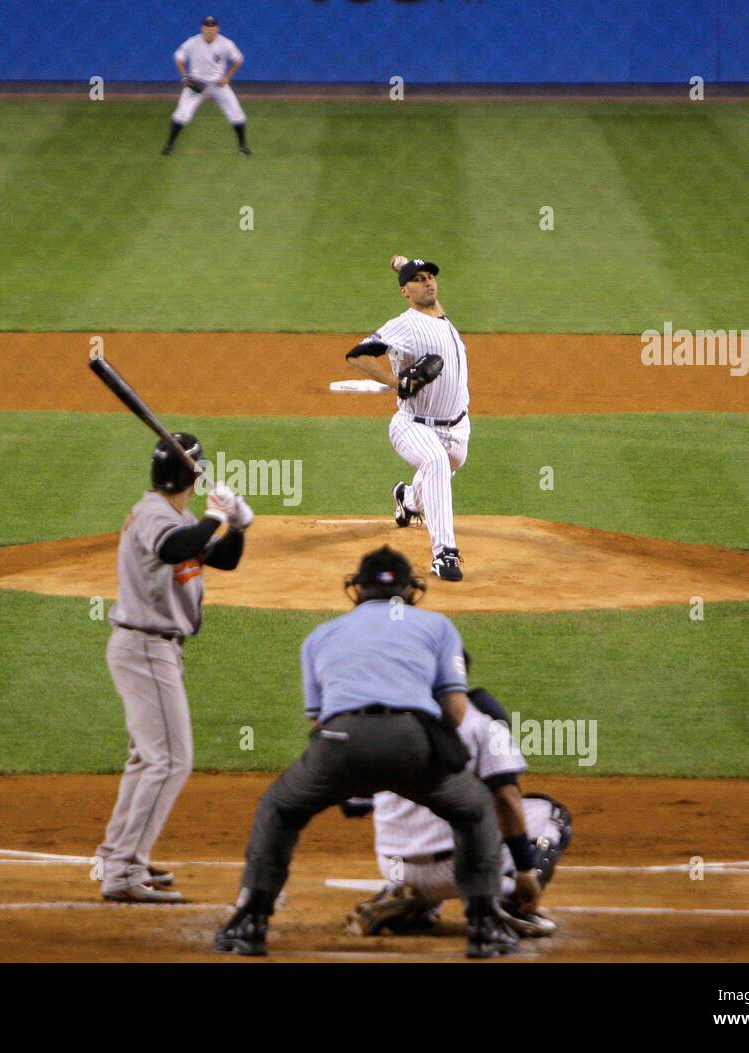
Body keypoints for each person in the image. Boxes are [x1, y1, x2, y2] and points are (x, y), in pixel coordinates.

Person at [213, 546, 537, 957]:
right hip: (411, 740)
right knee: (474, 810)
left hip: (339, 743)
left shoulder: (321, 635)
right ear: (409, 589)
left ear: (358, 589)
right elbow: (456, 711)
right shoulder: (437, 627)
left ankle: (250, 921)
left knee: (279, 810)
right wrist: (422, 750)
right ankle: (485, 926)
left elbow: (320, 721)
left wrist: (355, 778)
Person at [94, 433, 252, 903]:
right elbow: (172, 549)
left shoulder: (176, 516)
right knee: (170, 761)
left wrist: (238, 527)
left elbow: (221, 559)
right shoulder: (153, 515)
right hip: (145, 647)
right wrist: (215, 516)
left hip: (156, 649)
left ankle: (115, 854)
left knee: (147, 758)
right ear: (193, 473)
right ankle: (123, 872)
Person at [342, 682, 573, 939]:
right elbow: (506, 799)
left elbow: (352, 805)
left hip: (395, 865)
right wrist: (525, 869)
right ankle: (512, 901)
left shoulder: (385, 723)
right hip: (461, 869)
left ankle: (413, 903)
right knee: (552, 815)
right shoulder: (482, 723)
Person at [345, 257, 471, 582]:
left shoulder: (442, 319)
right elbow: (356, 355)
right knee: (435, 462)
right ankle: (445, 554)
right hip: (413, 423)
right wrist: (395, 382)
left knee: (443, 466)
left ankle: (408, 499)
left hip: (457, 428)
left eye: (431, 277)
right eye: (418, 279)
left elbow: (432, 302)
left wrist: (404, 263)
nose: (428, 283)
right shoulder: (406, 324)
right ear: (405, 291)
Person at [162, 16, 251, 156]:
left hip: (218, 85)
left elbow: (238, 59)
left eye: (212, 26)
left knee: (236, 112)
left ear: (217, 28)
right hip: (196, 84)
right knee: (182, 115)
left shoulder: (226, 43)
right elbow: (178, 57)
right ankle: (169, 146)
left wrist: (227, 77)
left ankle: (243, 147)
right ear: (202, 28)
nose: (210, 29)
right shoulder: (192, 42)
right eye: (207, 26)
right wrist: (185, 77)